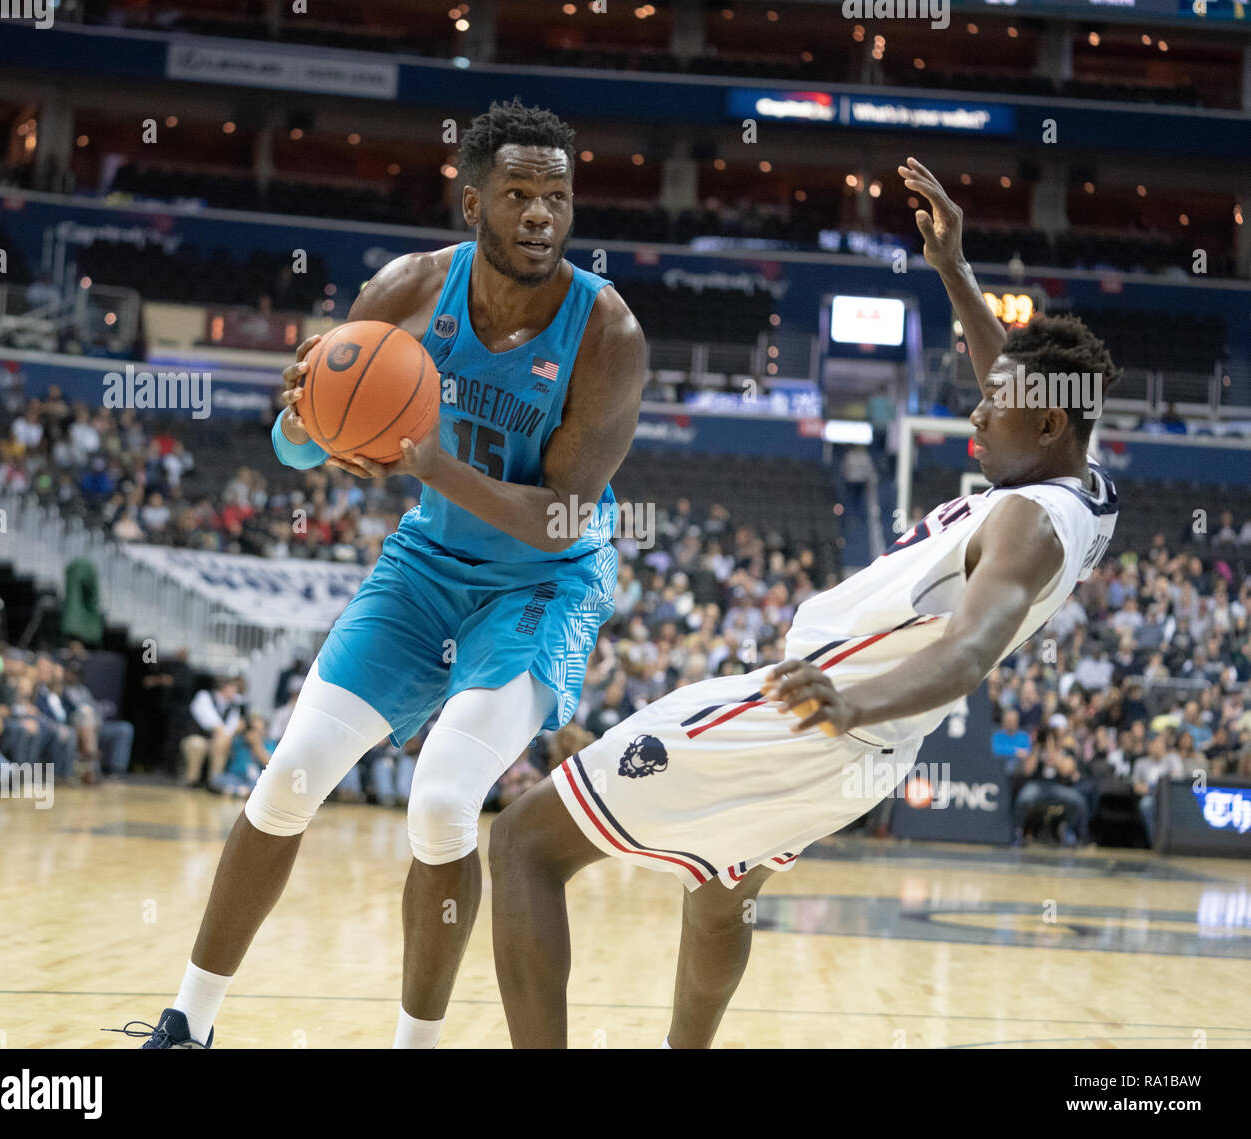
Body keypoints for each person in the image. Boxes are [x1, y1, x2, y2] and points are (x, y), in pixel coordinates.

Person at [487, 157, 1121, 1048]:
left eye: (995, 408)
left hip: (813, 714)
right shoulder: (1087, 487)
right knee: (720, 888)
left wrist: (845, 698)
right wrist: (953, 269)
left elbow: (971, 651)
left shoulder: (1025, 522)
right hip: (867, 756)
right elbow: (1010, 373)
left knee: (522, 845)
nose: (975, 416)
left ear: (1048, 424)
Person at [126, 99, 646, 1049]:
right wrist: (301, 411)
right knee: (286, 777)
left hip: (542, 581)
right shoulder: (406, 289)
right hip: (426, 567)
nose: (541, 214)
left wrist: (431, 461)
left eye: (558, 197)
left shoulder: (607, 335)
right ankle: (186, 1023)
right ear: (472, 203)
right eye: (520, 194)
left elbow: (564, 514)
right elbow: (295, 447)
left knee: (446, 799)